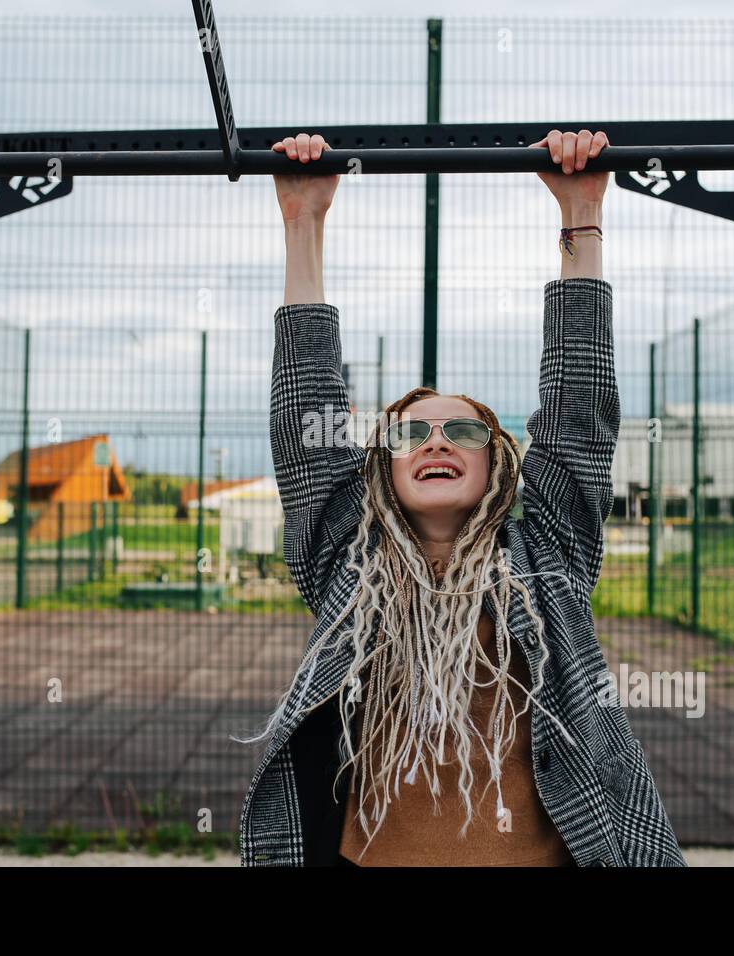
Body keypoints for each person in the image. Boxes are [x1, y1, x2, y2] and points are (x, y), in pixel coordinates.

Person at [235, 129, 686, 868]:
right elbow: (304, 421)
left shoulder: (546, 553)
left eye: (462, 431)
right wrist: (302, 221)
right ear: (382, 467)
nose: (437, 440)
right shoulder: (347, 556)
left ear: (498, 466)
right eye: (412, 431)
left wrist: (581, 212)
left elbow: (579, 414)